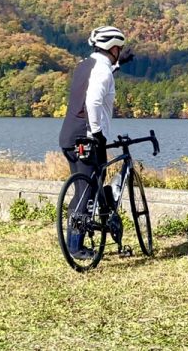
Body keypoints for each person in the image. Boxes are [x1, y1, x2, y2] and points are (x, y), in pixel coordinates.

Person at [58, 26, 126, 259]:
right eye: (120, 49)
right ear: (113, 48)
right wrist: (96, 133)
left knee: (82, 188)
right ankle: (76, 247)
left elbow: (99, 78)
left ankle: (71, 242)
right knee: (87, 191)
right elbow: (94, 101)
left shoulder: (86, 65)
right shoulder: (103, 71)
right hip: (85, 136)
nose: (121, 52)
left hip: (69, 134)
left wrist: (118, 65)